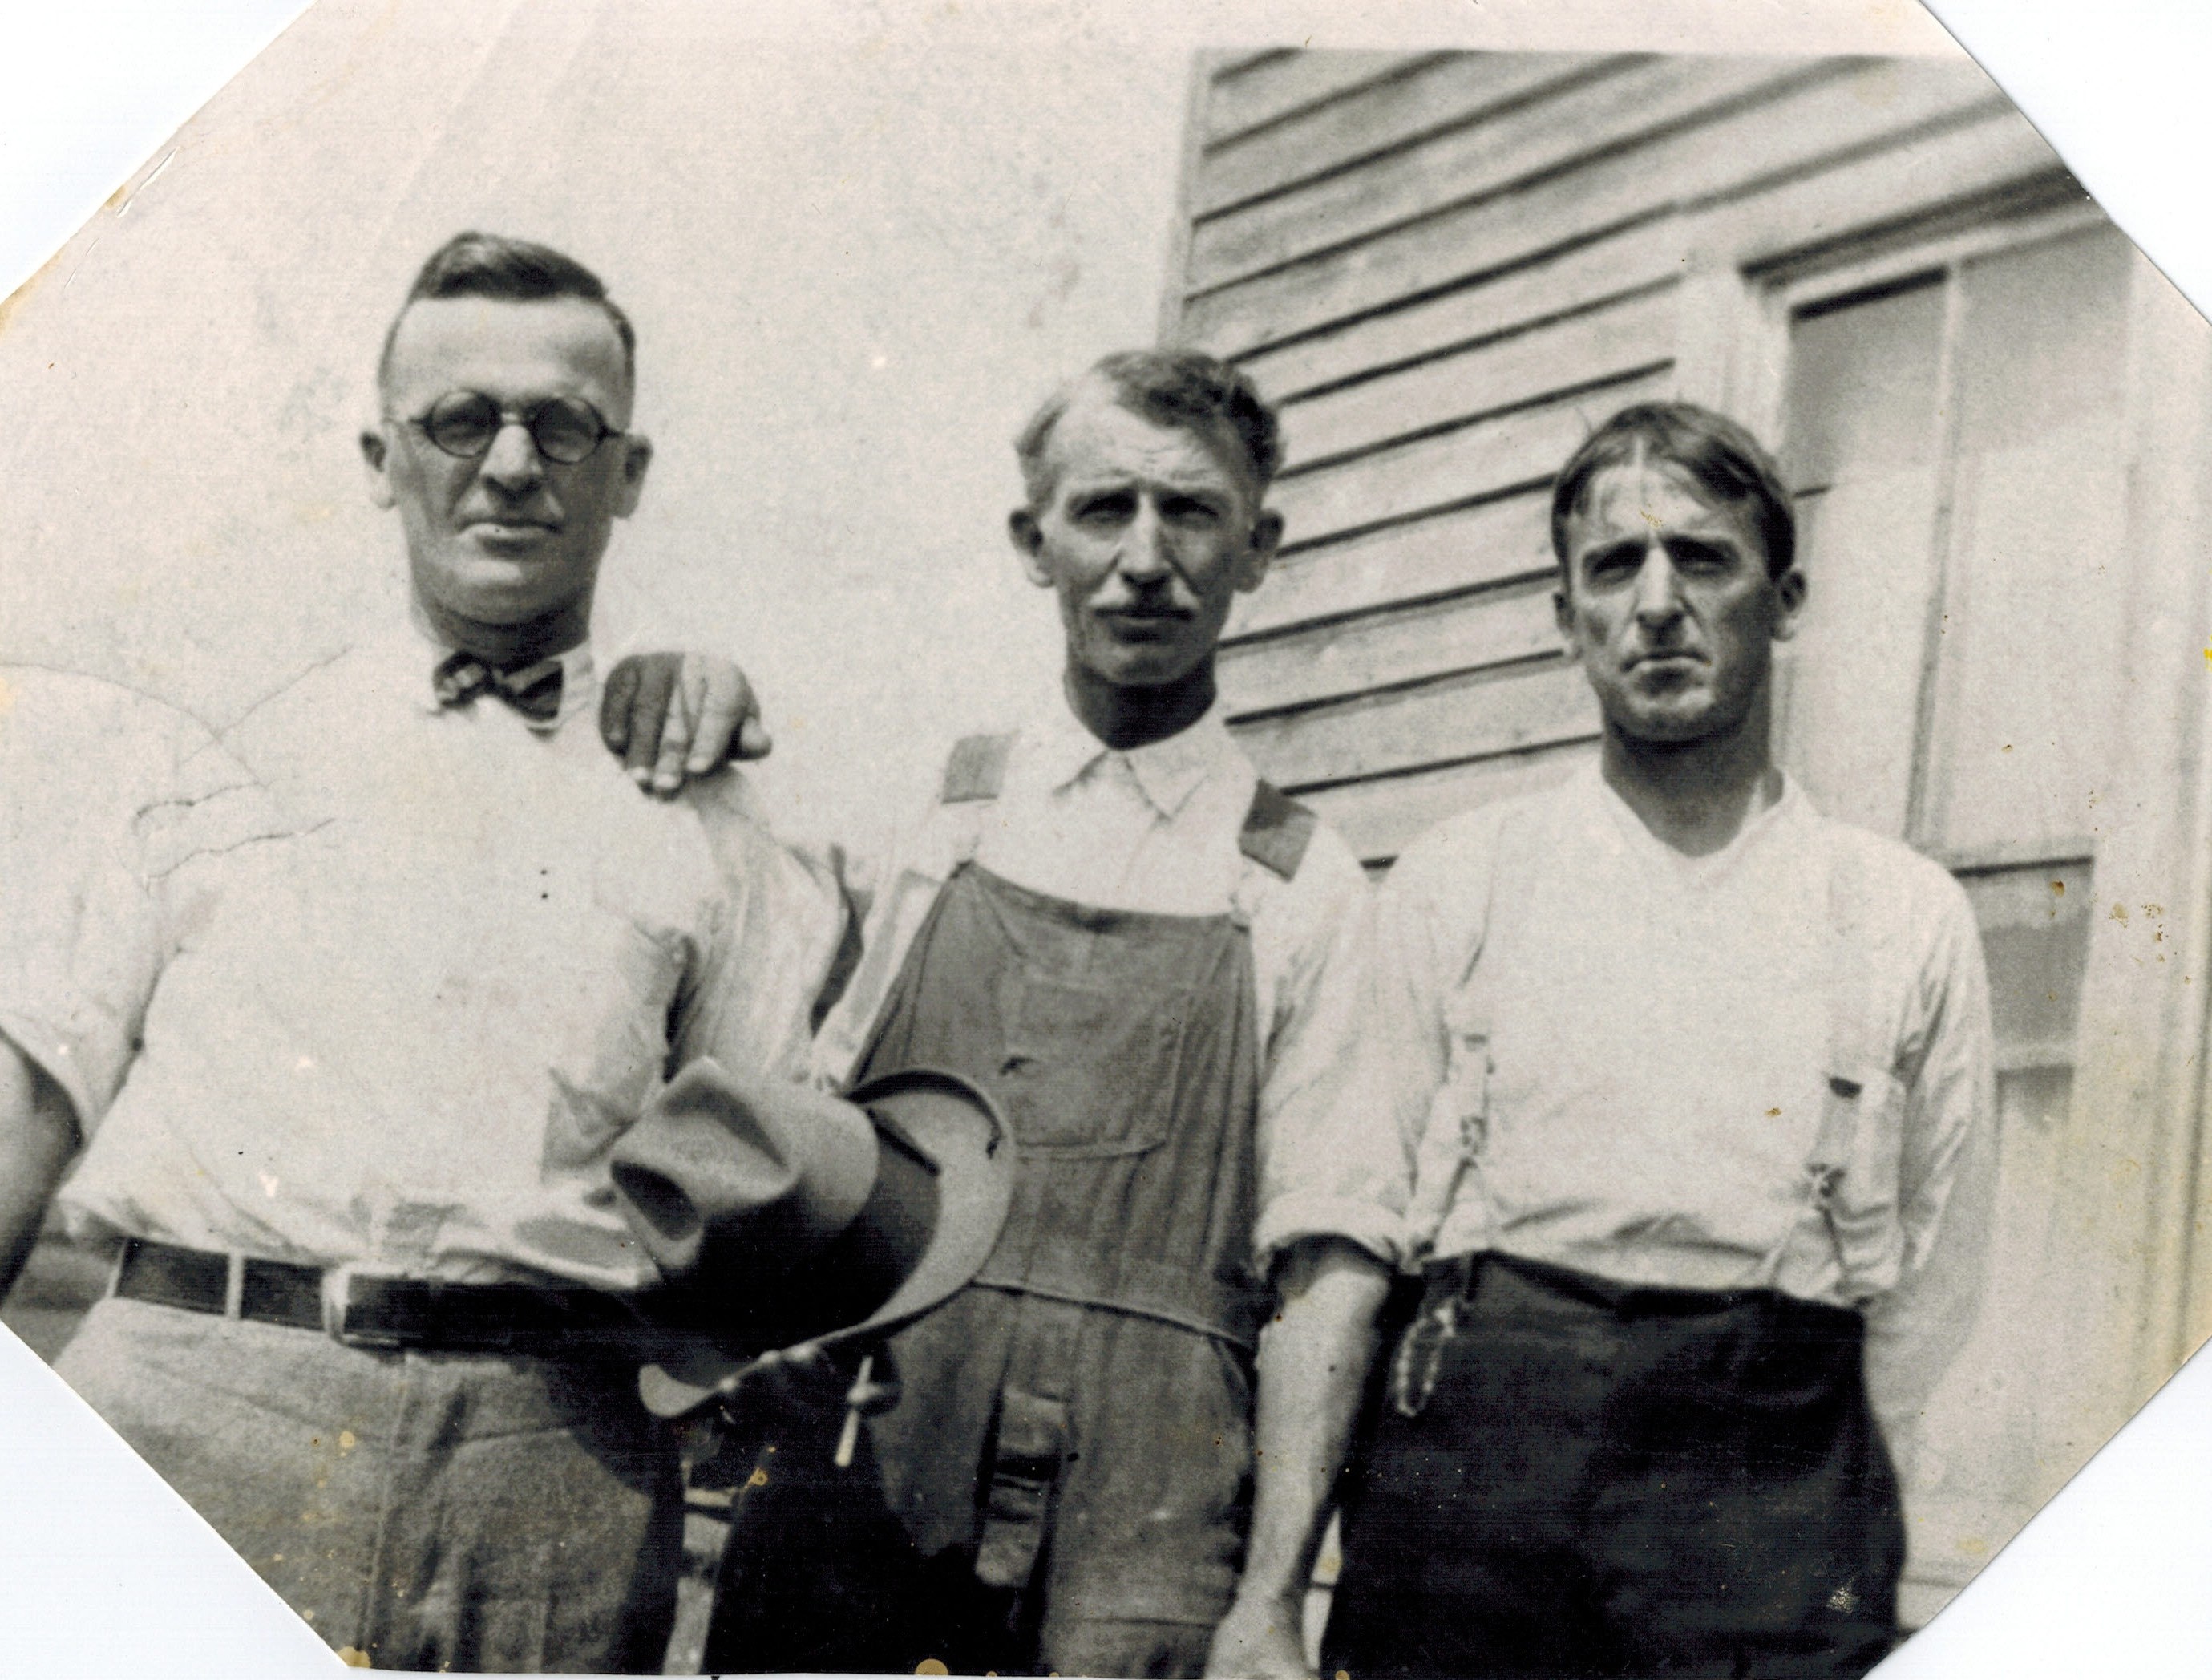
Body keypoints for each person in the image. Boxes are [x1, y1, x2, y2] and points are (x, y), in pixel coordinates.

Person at [0, 231, 848, 1673]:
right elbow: (27, 1101)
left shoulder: (716, 821)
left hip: (549, 1479)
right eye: (462, 421)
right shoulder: (208, 735)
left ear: (626, 474)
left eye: (563, 426)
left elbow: (760, 1210)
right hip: (194, 1409)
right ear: (383, 456)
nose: (512, 464)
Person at [1315, 402, 1997, 1680]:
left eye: (1705, 558)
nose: (1660, 603)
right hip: (1476, 1490)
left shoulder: (1900, 913)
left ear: (1784, 598)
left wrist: (1805, 1480)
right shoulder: (1463, 883)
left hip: (1771, 1503)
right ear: (1566, 613)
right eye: (1615, 566)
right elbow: (1349, 1228)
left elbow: (1930, 1291)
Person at [790, 349, 1405, 1680]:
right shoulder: (926, 815)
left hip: (1153, 1527)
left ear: (1260, 549)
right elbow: (800, 1136)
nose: (1144, 558)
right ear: (1034, 541)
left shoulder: (1305, 887)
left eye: (1190, 513)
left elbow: (1330, 1275)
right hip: (880, 1475)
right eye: (1101, 510)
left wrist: (1270, 1603)